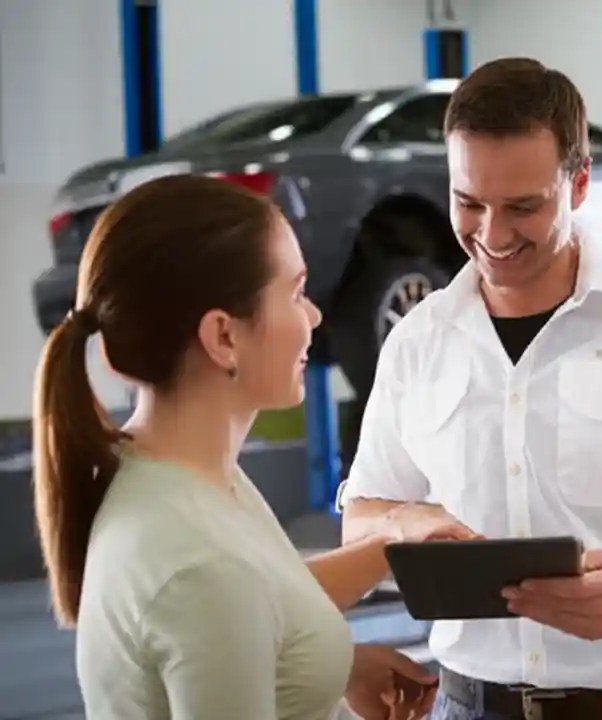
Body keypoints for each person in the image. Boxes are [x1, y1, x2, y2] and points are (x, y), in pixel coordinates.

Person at [339, 57, 602, 720]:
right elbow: (362, 517)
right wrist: (405, 521)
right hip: (465, 705)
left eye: (522, 207)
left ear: (577, 184)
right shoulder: (415, 343)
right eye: (468, 202)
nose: (491, 234)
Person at [31, 175, 457, 720]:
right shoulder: (197, 560)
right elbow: (223, 591)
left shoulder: (177, 478)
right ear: (224, 337)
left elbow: (260, 594)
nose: (314, 318)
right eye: (296, 293)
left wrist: (382, 559)